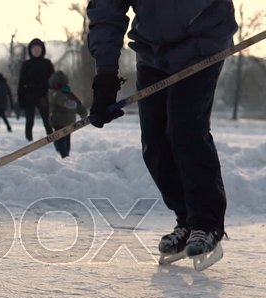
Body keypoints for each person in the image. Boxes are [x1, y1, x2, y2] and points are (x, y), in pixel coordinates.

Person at [87, 0, 237, 266]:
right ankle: (186, 220)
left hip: (203, 41)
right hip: (154, 51)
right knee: (154, 141)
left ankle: (206, 222)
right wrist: (106, 74)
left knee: (185, 128)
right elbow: (106, 11)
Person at [17, 38, 54, 141]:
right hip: (29, 96)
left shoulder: (47, 63)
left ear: (42, 50)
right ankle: (28, 141)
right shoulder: (26, 64)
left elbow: (53, 81)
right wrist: (20, 98)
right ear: (30, 50)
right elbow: (21, 82)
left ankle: (51, 139)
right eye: (34, 48)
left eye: (38, 48)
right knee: (29, 121)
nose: (36, 50)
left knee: (47, 120)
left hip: (43, 96)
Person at [48, 70, 87, 158]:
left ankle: (64, 155)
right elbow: (76, 104)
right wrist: (82, 112)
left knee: (62, 139)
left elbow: (74, 103)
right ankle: (65, 154)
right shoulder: (63, 93)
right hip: (64, 121)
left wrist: (82, 112)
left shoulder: (60, 93)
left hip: (63, 122)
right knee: (63, 138)